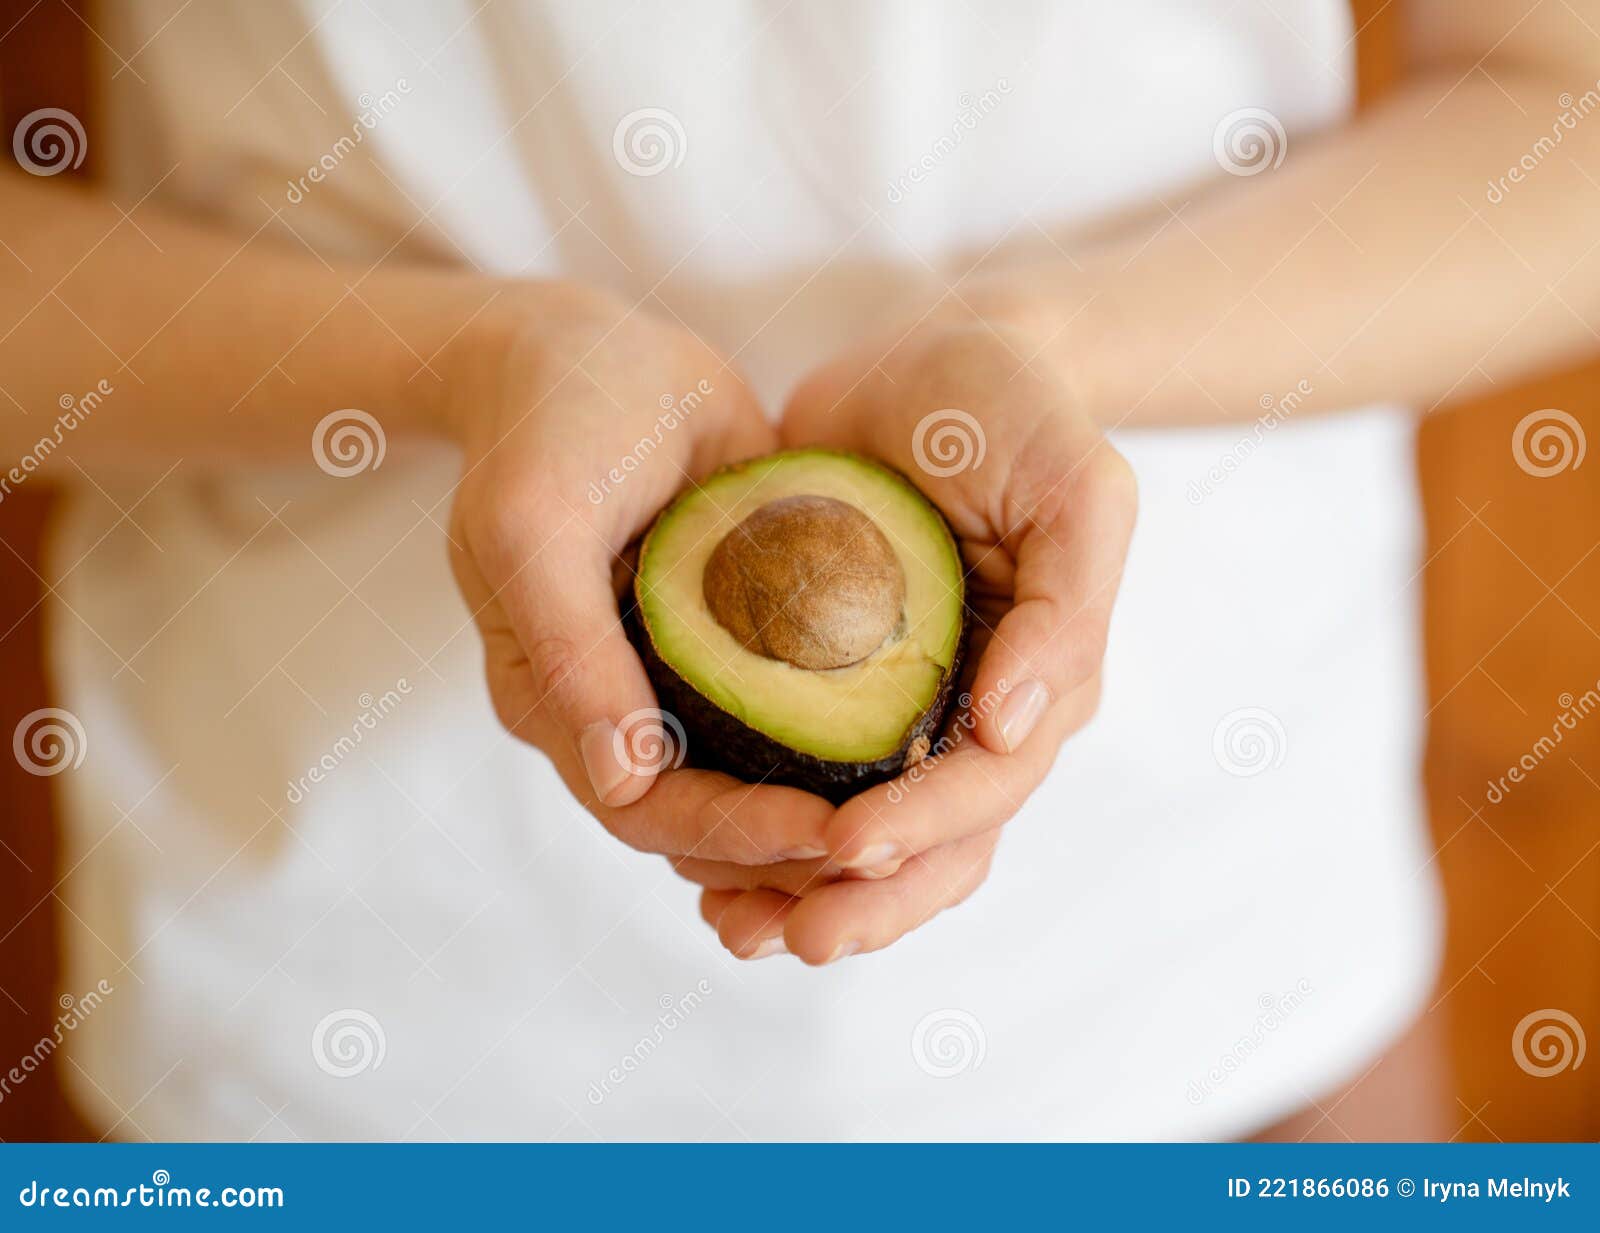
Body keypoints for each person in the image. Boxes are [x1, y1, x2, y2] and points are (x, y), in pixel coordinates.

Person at [5, 0, 1594, 1140]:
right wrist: (461, 365)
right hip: (345, 1026)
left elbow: (1558, 115)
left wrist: (1060, 344)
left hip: (1208, 957)